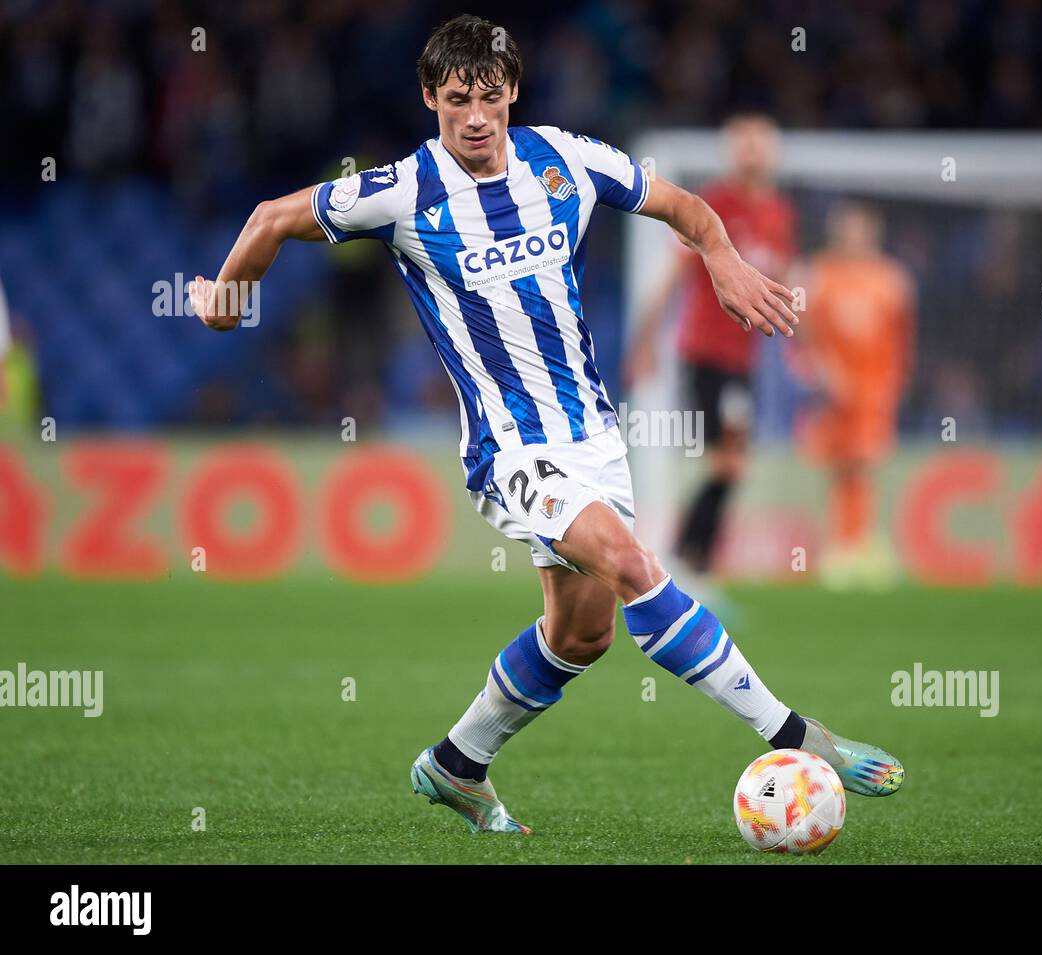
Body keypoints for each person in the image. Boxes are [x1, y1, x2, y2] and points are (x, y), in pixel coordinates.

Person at [189, 14, 903, 834]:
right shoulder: (400, 191)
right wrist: (224, 299)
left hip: (593, 439)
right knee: (635, 565)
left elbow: (684, 206)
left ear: (512, 92)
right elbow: (272, 216)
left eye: (490, 96)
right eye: (457, 99)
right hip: (508, 449)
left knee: (582, 633)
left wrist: (723, 255)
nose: (476, 116)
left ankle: (457, 765)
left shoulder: (564, 158)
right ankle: (797, 733)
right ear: (430, 98)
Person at [624, 114, 796, 576]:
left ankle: (694, 562)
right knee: (728, 462)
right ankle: (686, 560)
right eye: (743, 144)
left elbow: (783, 282)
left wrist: (804, 342)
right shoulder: (711, 207)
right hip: (703, 352)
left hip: (746, 357)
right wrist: (644, 343)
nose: (751, 153)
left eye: (759, 144)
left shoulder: (779, 214)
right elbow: (671, 277)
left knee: (733, 463)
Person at [793, 202, 914, 589]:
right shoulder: (817, 274)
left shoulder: (892, 280)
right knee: (839, 464)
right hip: (832, 390)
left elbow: (901, 341)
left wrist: (894, 384)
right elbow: (799, 330)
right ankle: (842, 548)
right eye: (847, 229)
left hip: (873, 390)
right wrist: (820, 372)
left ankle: (858, 545)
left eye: (860, 230)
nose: (853, 237)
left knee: (864, 463)